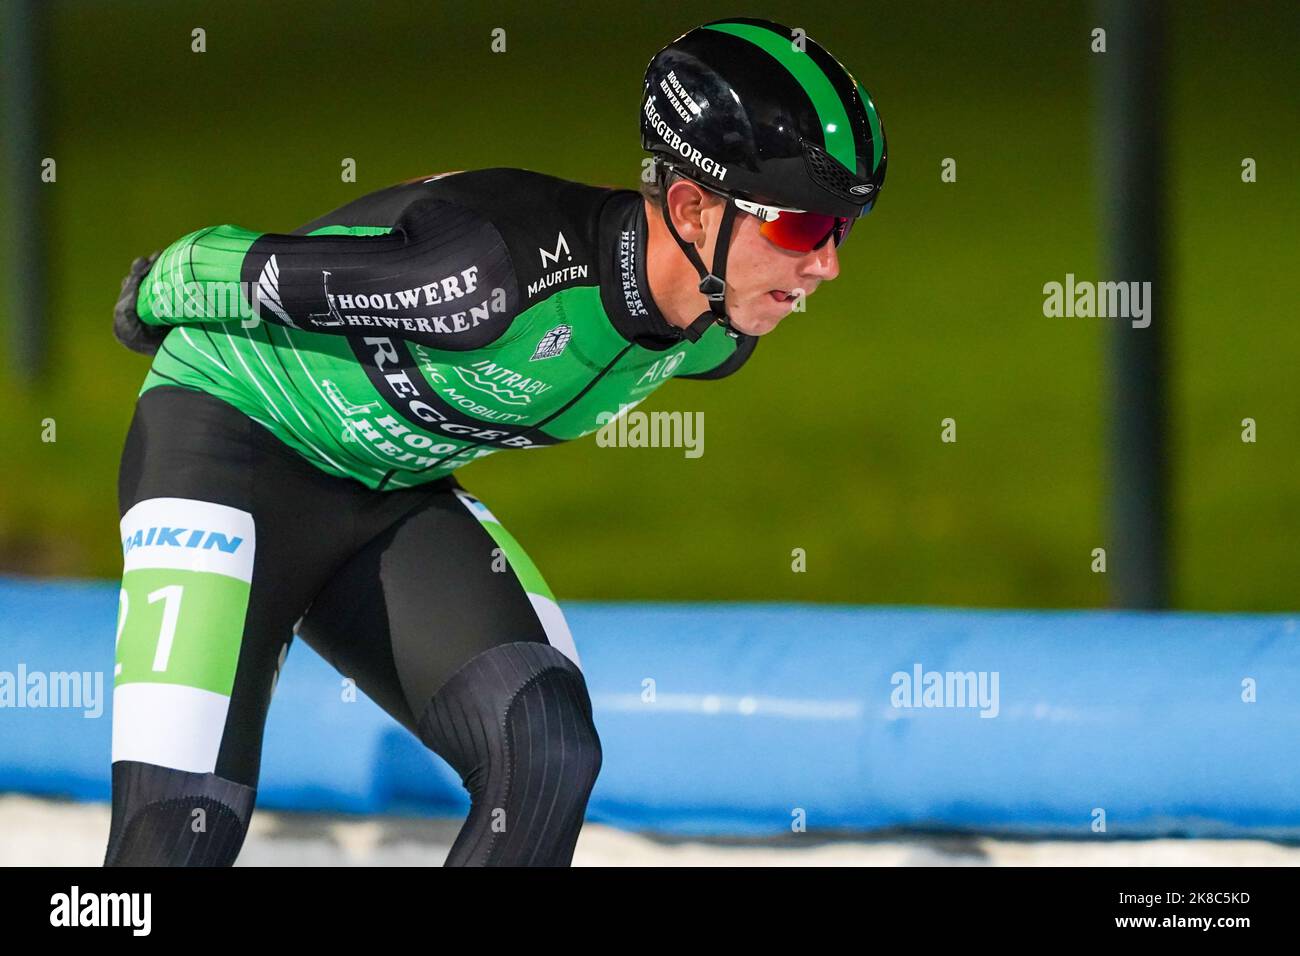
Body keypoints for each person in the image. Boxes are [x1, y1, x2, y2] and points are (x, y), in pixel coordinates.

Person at [104, 16, 887, 867]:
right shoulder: (490, 278)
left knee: (548, 754)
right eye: (801, 230)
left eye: (842, 230)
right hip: (229, 442)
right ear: (693, 208)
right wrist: (148, 300)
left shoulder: (715, 336)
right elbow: (218, 264)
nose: (827, 267)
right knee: (176, 834)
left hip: (387, 489)